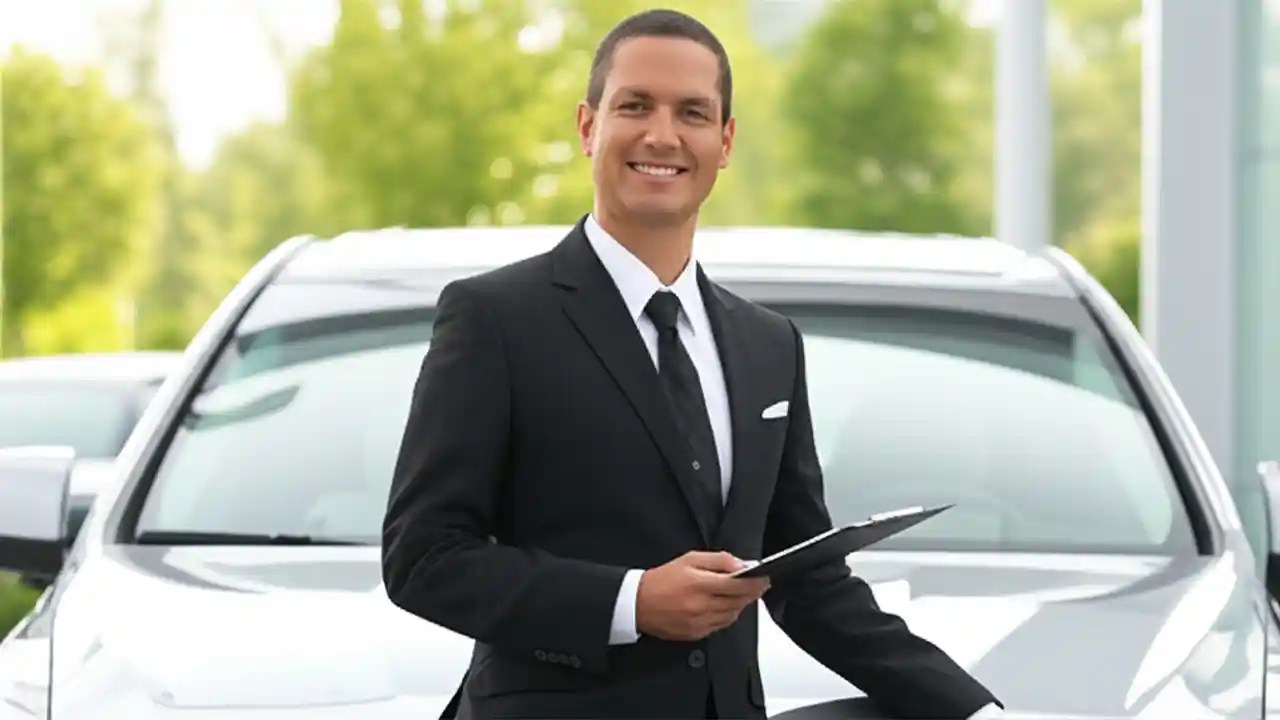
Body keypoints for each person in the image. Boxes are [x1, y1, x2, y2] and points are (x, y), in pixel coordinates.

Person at [381, 8, 1004, 719]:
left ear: (725, 140)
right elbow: (424, 558)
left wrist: (975, 712)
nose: (662, 135)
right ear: (588, 126)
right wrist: (631, 601)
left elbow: (810, 582)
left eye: (692, 113)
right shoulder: (493, 318)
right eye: (635, 106)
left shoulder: (769, 345)